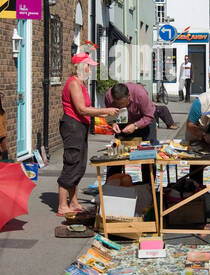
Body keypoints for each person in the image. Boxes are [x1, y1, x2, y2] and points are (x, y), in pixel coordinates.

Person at [58, 52, 118, 217]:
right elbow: (81, 109)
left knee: (79, 165)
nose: (90, 69)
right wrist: (104, 110)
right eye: (88, 66)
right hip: (72, 126)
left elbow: (87, 110)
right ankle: (63, 205)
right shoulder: (74, 84)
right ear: (79, 67)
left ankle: (74, 201)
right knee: (71, 162)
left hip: (80, 126)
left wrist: (104, 115)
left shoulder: (81, 84)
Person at [105, 81, 159, 146]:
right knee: (122, 148)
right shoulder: (108, 96)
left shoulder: (140, 94)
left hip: (143, 121)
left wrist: (135, 125)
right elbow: (109, 114)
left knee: (148, 147)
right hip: (123, 123)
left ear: (129, 96)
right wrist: (113, 124)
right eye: (118, 105)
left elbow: (149, 116)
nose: (122, 107)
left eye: (124, 103)